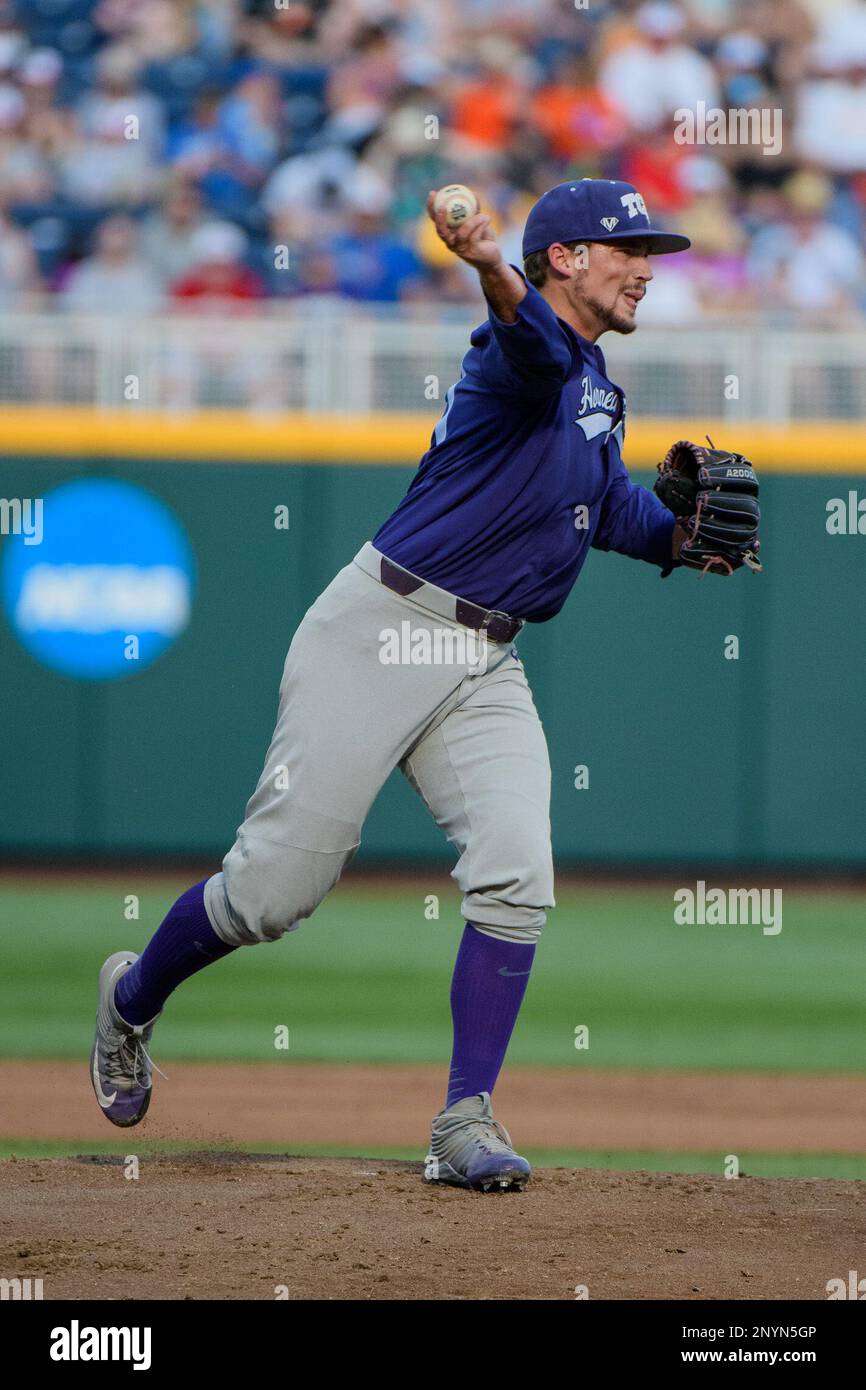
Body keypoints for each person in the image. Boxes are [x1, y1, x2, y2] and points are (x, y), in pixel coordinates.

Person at [90, 180, 727, 1192]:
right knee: (270, 892)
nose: (645, 265)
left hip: (484, 657)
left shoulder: (596, 384)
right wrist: (483, 263)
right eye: (625, 247)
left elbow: (602, 509)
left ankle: (461, 1120)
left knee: (516, 869)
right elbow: (524, 343)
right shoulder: (519, 356)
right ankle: (130, 998)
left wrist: (682, 537)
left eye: (649, 247)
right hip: (382, 628)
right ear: (561, 257)